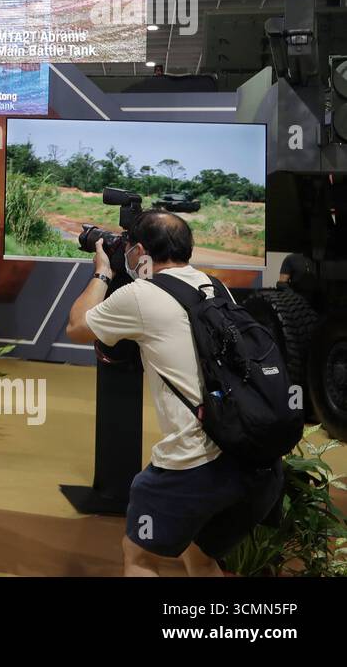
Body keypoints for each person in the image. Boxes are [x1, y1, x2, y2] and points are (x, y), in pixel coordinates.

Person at [65, 210, 283, 576]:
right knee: (199, 556)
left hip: (194, 465)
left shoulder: (140, 295)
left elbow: (76, 327)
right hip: (256, 460)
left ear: (137, 252)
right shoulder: (215, 286)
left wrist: (103, 271)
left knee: (139, 555)